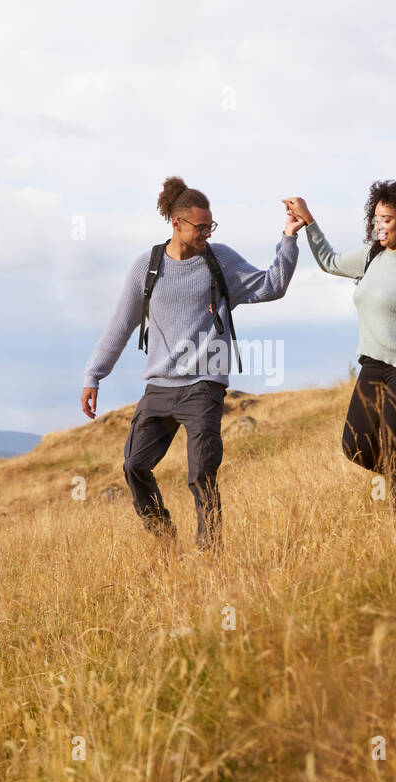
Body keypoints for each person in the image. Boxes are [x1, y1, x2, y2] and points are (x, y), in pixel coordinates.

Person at [81, 176, 302, 551]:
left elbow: (272, 285)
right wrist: (93, 375)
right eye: (200, 227)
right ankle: (164, 537)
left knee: (202, 473)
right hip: (159, 387)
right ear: (177, 223)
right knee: (134, 465)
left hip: (204, 385)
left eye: (210, 226)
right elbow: (120, 325)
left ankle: (209, 553)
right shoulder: (147, 267)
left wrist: (289, 237)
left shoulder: (219, 260)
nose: (207, 233)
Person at [284, 181, 396, 512]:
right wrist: (308, 221)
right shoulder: (371, 256)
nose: (379, 226)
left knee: (393, 447)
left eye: (387, 219)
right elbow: (330, 261)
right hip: (374, 363)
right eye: (376, 218)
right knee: (355, 446)